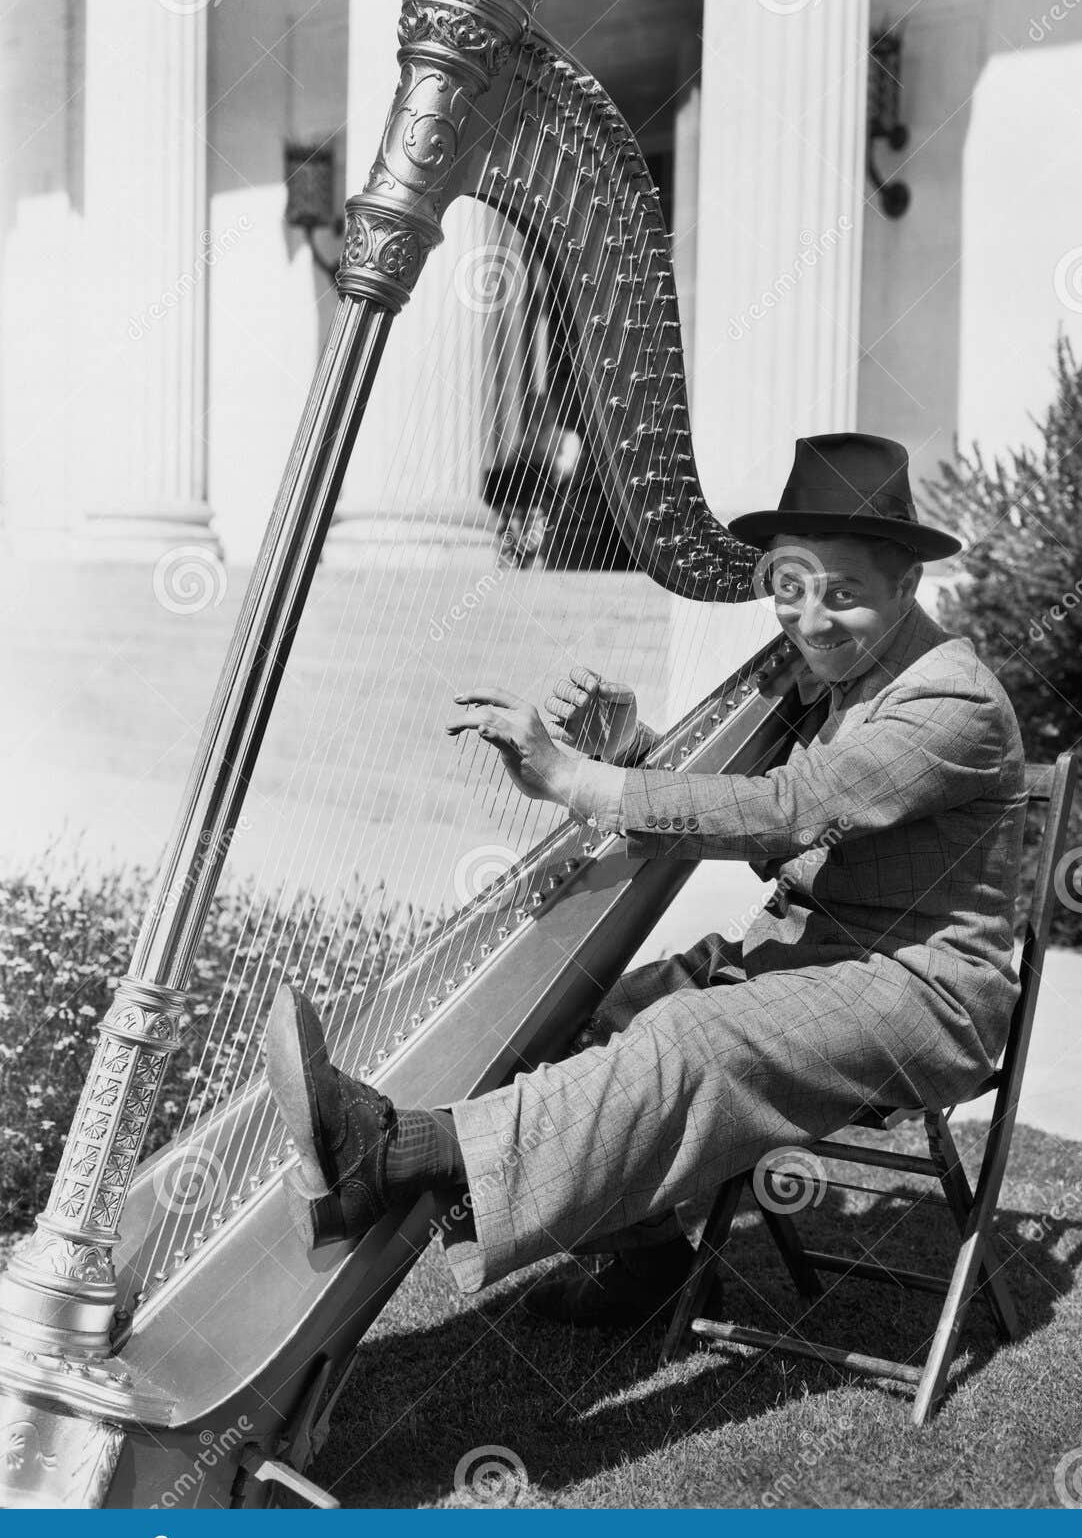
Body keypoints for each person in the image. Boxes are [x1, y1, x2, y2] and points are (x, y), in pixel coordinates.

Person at [266, 432, 1027, 1330]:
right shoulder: (835, 677)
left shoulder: (951, 701)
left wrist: (579, 780)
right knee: (584, 1011)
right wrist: (629, 747)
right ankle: (647, 1266)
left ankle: (397, 1153)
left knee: (694, 1038)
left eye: (847, 595)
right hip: (813, 959)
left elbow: (787, 809)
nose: (812, 621)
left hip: (922, 992)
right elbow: (764, 824)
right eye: (792, 588)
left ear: (907, 586)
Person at [483, 421, 582, 568]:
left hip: (534, 494)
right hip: (522, 493)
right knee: (516, 526)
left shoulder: (565, 439)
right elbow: (514, 458)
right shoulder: (541, 437)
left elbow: (562, 467)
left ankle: (520, 557)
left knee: (527, 528)